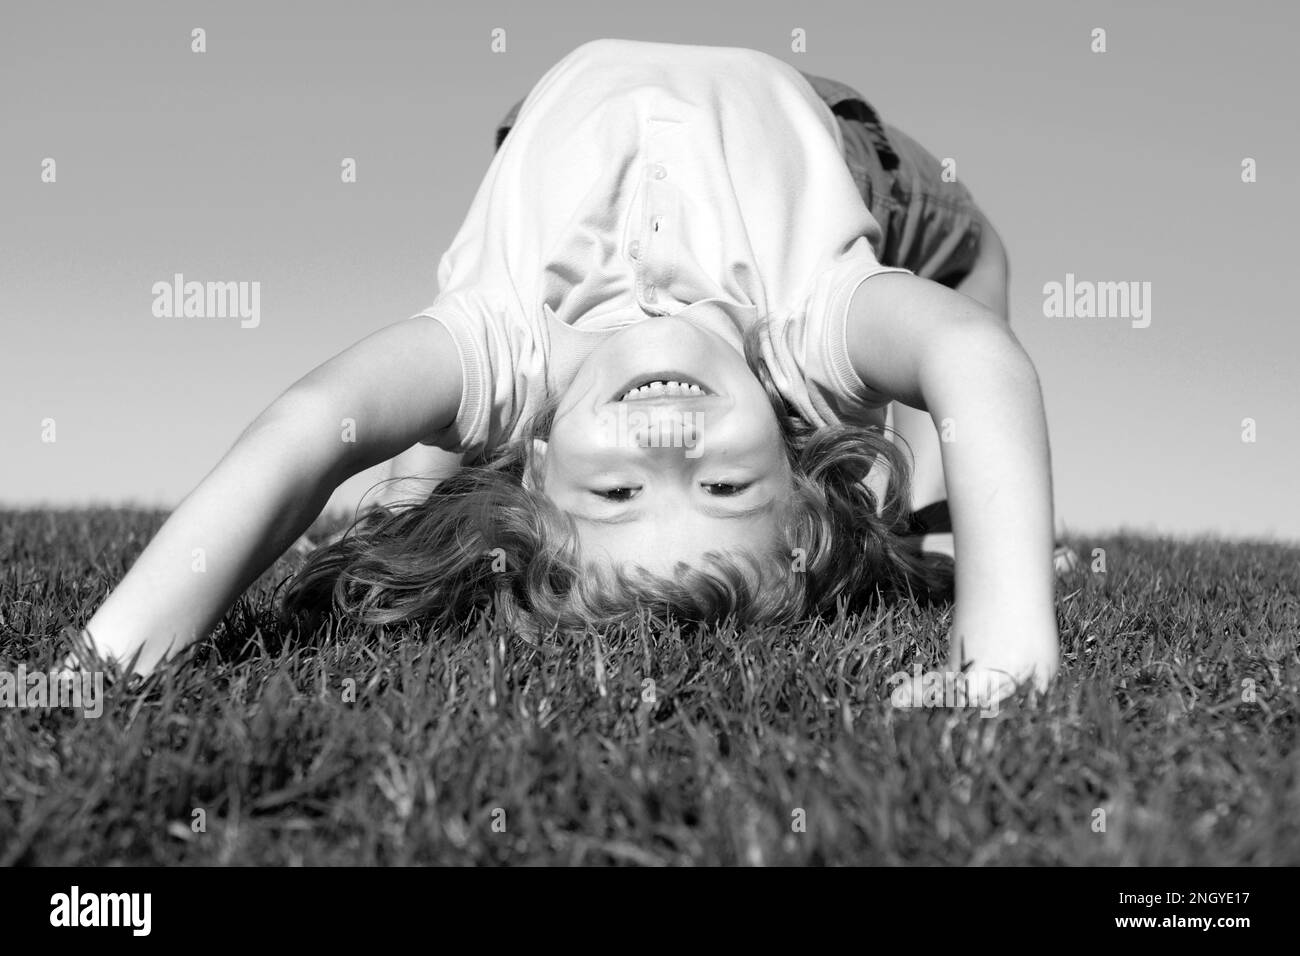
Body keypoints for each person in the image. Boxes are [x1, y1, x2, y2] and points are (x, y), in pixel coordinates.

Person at [73, 39, 1061, 696]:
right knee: (976, 274)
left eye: (620, 486)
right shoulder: (809, 334)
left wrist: (102, 661)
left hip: (553, 119)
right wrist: (1006, 654)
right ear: (799, 498)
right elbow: (976, 354)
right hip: (829, 127)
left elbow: (309, 424)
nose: (668, 440)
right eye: (722, 482)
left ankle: (424, 487)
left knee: (425, 445)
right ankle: (936, 529)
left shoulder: (502, 345)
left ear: (542, 469)